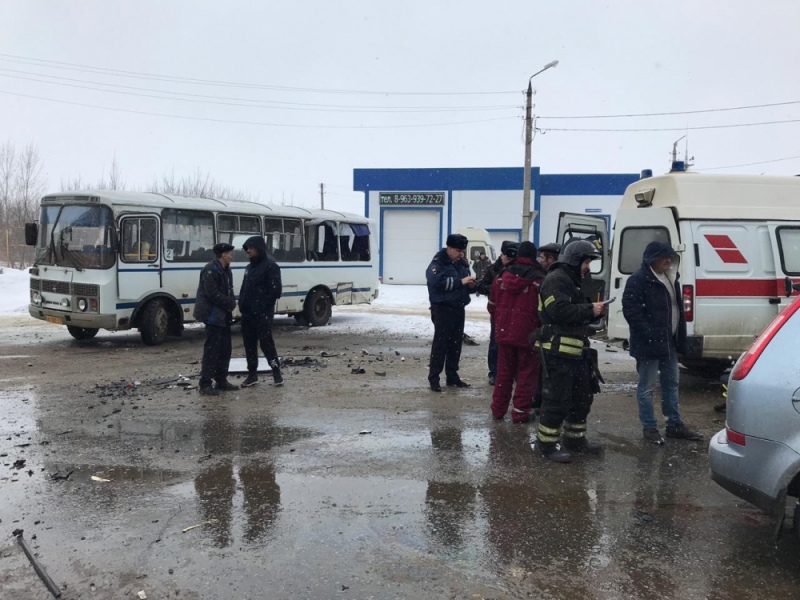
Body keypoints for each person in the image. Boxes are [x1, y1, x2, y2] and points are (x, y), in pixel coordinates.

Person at [622, 241, 702, 444]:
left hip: (669, 343)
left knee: (671, 384)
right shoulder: (638, 280)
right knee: (647, 387)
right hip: (649, 345)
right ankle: (649, 427)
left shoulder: (670, 278)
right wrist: (649, 335)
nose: (668, 261)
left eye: (670, 257)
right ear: (653, 258)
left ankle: (674, 424)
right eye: (664, 257)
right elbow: (632, 311)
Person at [534, 240, 607, 463]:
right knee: (557, 400)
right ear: (574, 260)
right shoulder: (556, 280)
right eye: (586, 261)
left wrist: (595, 313)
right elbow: (558, 310)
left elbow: (577, 314)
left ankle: (575, 439)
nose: (588, 267)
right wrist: (589, 309)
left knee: (582, 398)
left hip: (576, 352)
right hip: (556, 353)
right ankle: (546, 445)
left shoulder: (574, 281)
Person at [488, 241, 547, 423]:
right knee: (526, 375)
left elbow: (492, 306)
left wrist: (502, 322)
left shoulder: (501, 277)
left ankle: (498, 410)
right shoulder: (540, 280)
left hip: (505, 334)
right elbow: (544, 311)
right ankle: (520, 412)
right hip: (528, 335)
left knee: (504, 374)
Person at [426, 233, 476, 392]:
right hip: (443, 309)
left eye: (463, 251)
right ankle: (434, 378)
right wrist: (460, 282)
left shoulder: (460, 263)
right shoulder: (438, 263)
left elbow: (465, 282)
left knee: (455, 344)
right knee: (441, 344)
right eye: (458, 251)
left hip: (458, 307)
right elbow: (438, 283)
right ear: (449, 248)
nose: (461, 254)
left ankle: (452, 375)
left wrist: (470, 284)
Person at [238, 235, 284, 388]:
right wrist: (242, 304)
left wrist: (262, 306)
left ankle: (276, 372)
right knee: (249, 345)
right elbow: (244, 288)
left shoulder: (270, 266)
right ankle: (252, 374)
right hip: (248, 314)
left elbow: (275, 291)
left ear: (258, 248)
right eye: (247, 249)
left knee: (266, 344)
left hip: (262, 314)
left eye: (250, 248)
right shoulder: (249, 268)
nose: (248, 251)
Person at [194, 243, 239, 396]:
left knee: (225, 348)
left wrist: (230, 302)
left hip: (223, 315)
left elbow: (229, 289)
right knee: (212, 350)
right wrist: (230, 303)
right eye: (229, 253)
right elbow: (212, 294)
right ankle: (205, 383)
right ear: (222, 255)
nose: (231, 256)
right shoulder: (210, 270)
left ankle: (221, 379)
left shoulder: (226, 270)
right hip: (213, 315)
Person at [477, 241, 519, 385]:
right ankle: (494, 372)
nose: (509, 260)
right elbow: (481, 286)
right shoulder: (492, 270)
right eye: (507, 257)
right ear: (501, 255)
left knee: (514, 342)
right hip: (498, 312)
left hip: (515, 312)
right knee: (496, 343)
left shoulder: (519, 269)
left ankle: (512, 372)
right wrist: (497, 287)